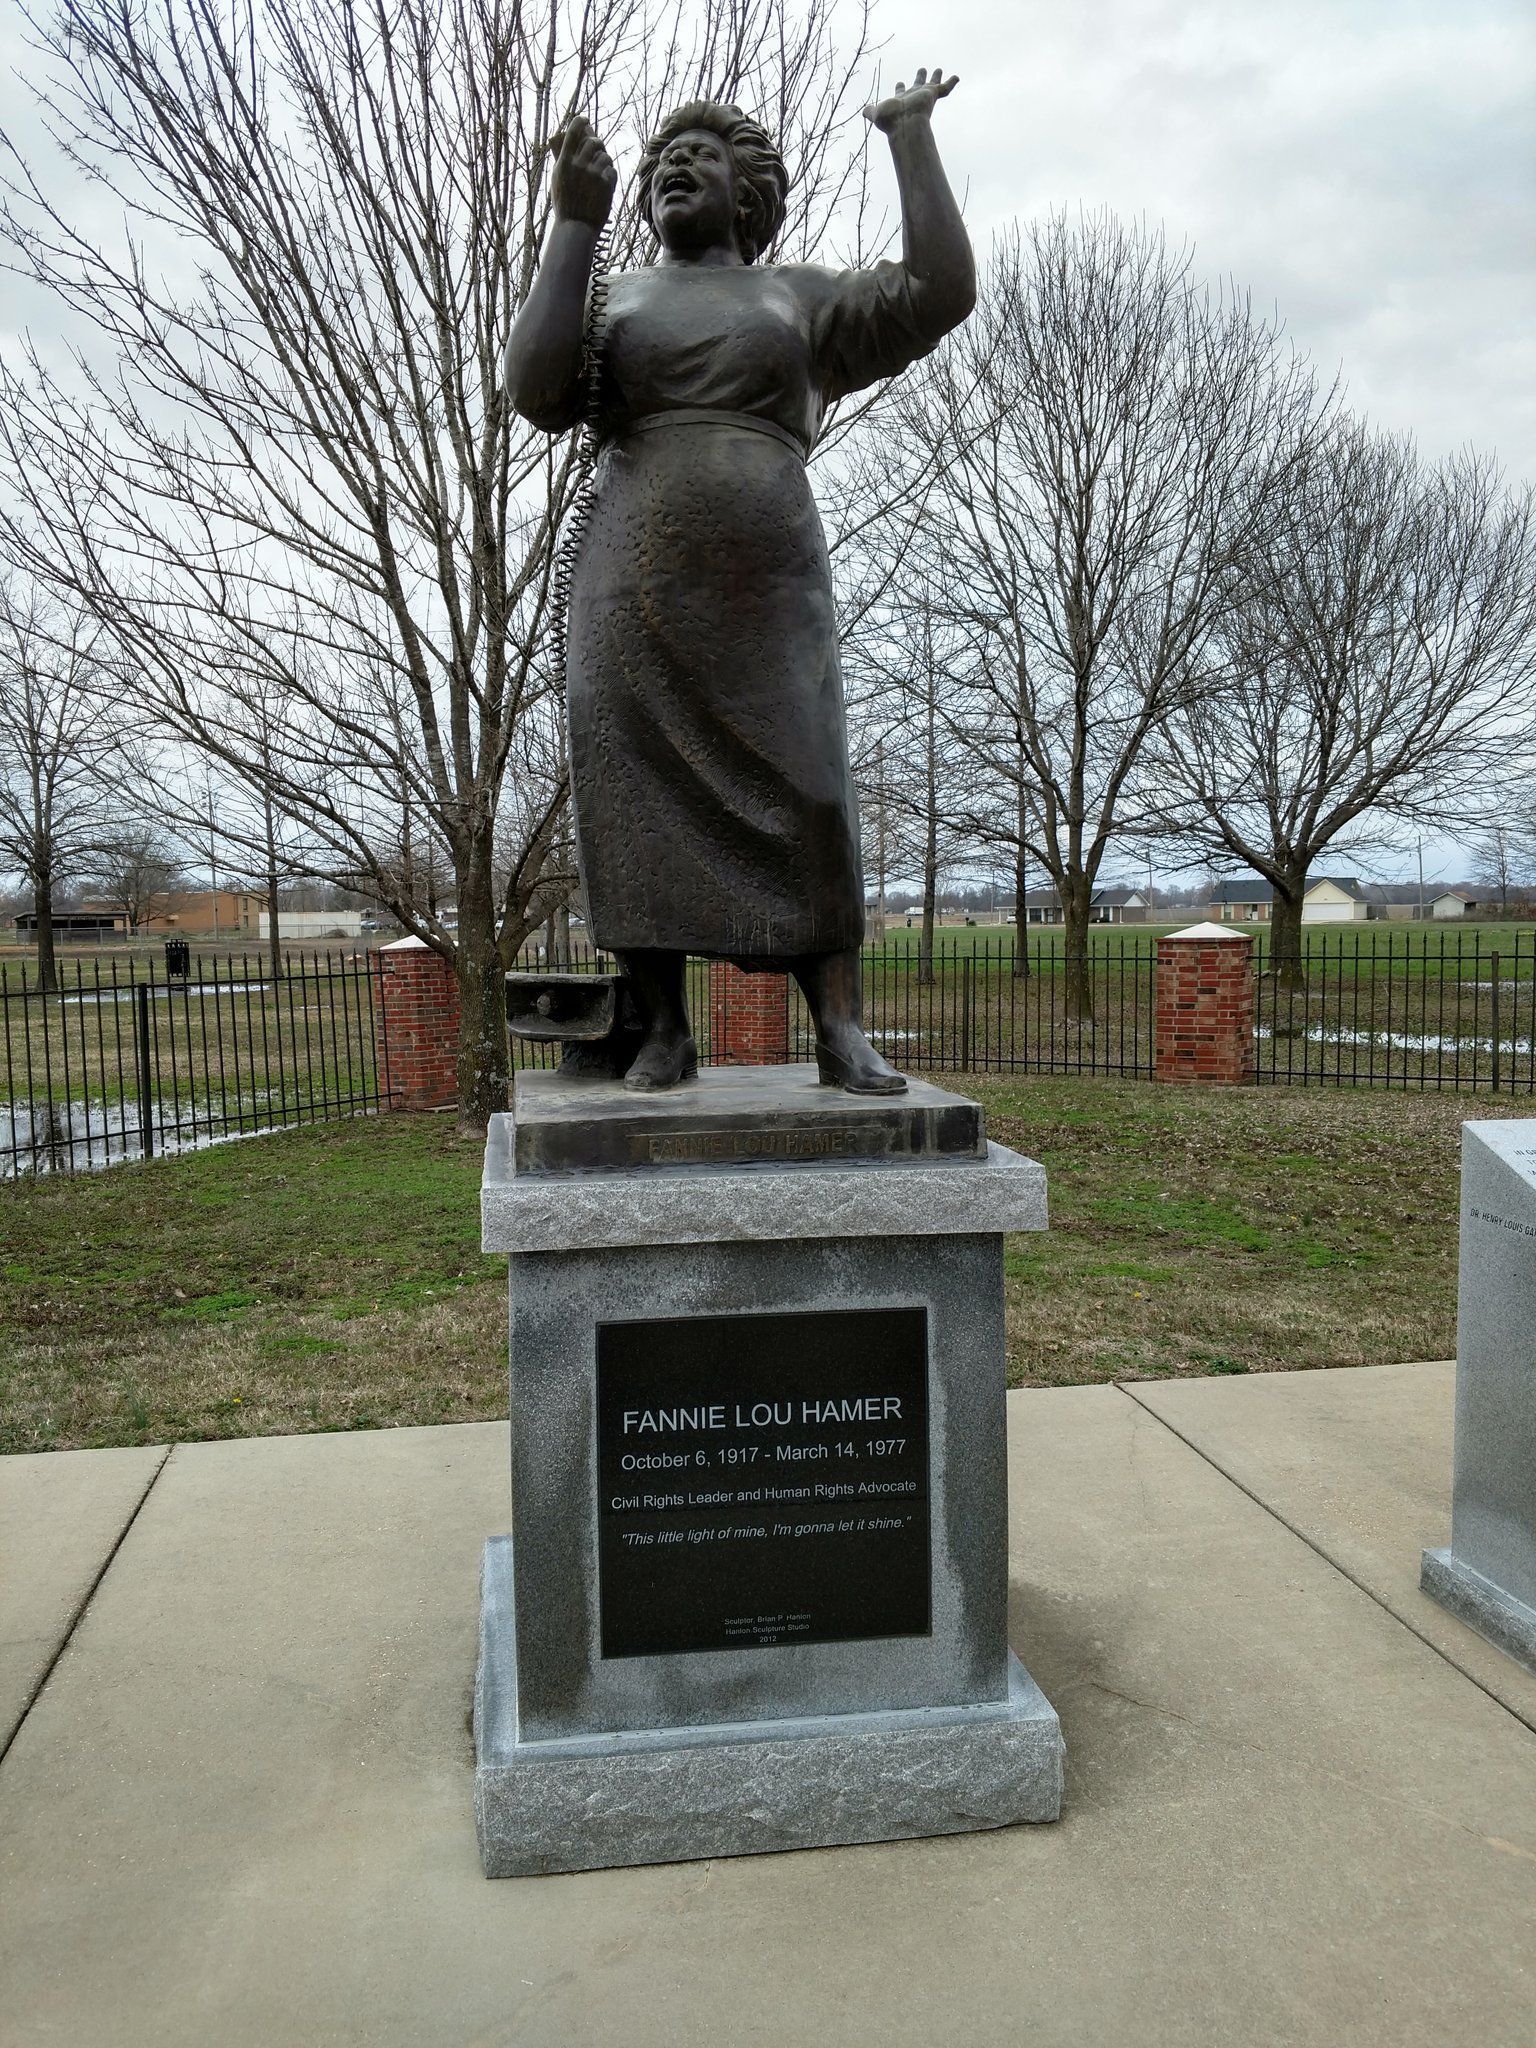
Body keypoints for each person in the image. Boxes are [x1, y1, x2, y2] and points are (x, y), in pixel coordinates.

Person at [506, 70, 974, 1091]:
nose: (678, 164)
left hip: (766, 586)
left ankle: (839, 1026)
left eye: (704, 155)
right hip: (632, 584)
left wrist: (907, 138)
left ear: (751, 191)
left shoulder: (797, 296)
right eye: (666, 157)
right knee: (630, 793)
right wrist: (573, 228)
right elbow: (534, 390)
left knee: (808, 787)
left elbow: (939, 293)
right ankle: (664, 1025)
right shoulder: (614, 298)